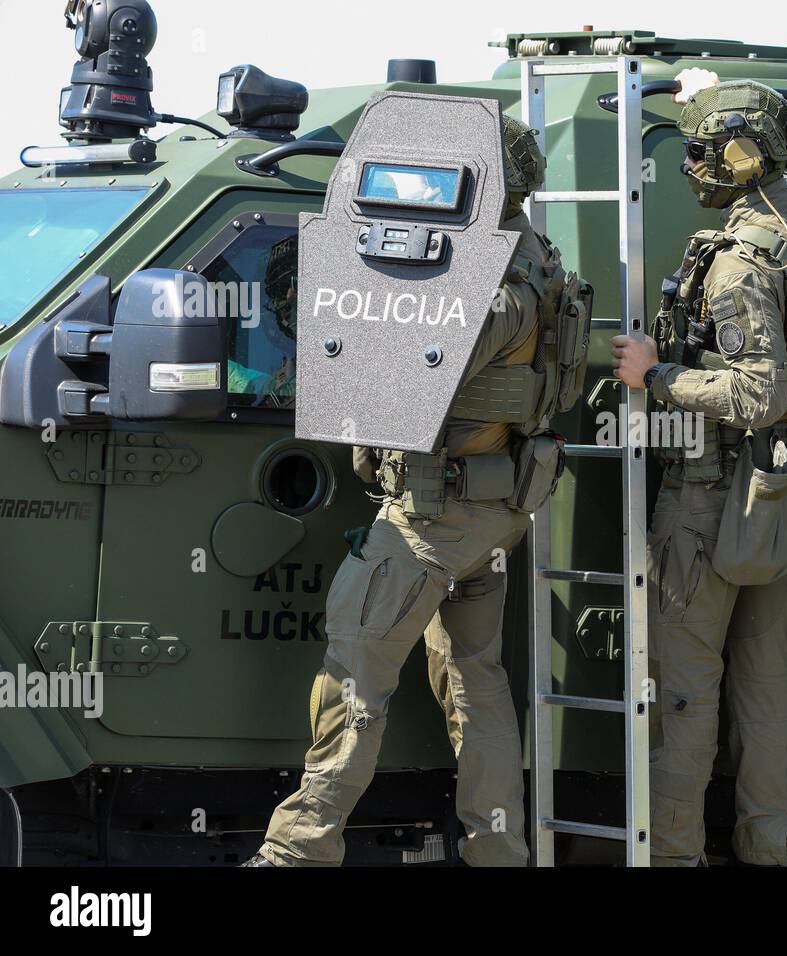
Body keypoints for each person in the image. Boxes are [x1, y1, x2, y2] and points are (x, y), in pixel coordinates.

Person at [244, 115, 590, 867]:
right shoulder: (531, 257)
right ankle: (498, 852)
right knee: (474, 682)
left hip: (433, 521)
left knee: (353, 673)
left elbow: (419, 361)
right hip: (486, 512)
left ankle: (298, 850)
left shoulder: (496, 282)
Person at [611, 69, 787, 866]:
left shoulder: (738, 266)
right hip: (777, 496)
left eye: (703, 151)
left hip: (710, 500)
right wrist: (711, 97)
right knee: (764, 684)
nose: (693, 166)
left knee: (683, 696)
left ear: (743, 158)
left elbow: (756, 393)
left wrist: (654, 375)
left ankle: (672, 855)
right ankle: (765, 848)